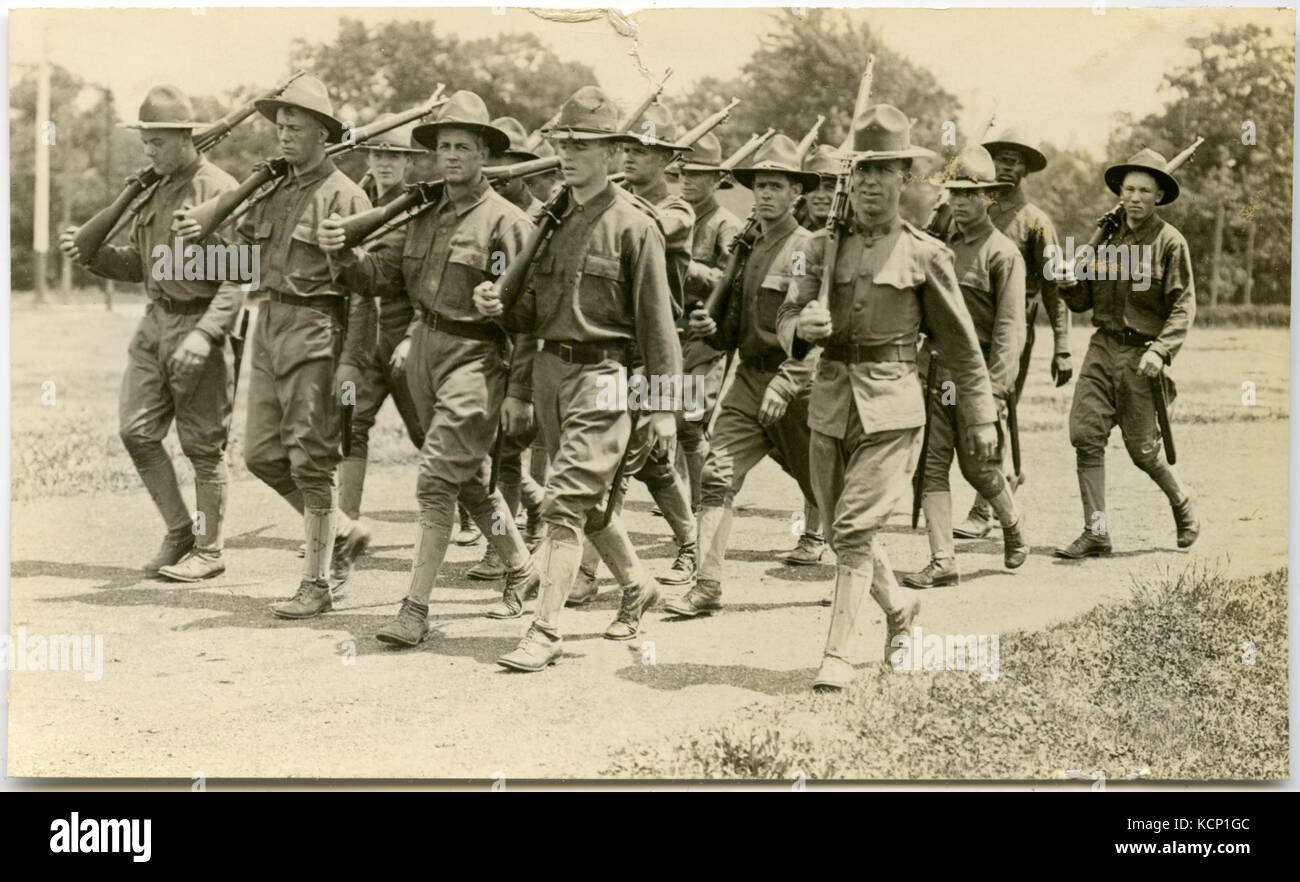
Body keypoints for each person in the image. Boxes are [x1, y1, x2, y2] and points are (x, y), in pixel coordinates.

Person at [776, 105, 999, 692]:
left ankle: (838, 655)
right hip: (828, 404)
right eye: (864, 171)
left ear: (904, 177)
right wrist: (803, 327)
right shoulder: (822, 249)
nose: (873, 182)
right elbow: (783, 316)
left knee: (849, 530)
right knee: (836, 532)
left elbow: (962, 348)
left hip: (893, 409)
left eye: (887, 170)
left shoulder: (927, 254)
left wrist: (981, 415)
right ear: (852, 178)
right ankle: (899, 608)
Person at [473, 86, 681, 671]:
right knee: (585, 503)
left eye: (584, 146)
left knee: (562, 504)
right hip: (547, 372)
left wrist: (663, 406)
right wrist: (499, 307)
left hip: (606, 377)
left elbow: (657, 323)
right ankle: (638, 583)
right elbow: (527, 316)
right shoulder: (549, 220)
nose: (568, 154)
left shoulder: (634, 226)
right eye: (564, 143)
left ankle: (546, 628)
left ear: (614, 153)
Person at [318, 92, 540, 640]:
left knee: (435, 478)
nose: (453, 156)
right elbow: (380, 277)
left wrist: (518, 382)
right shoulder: (422, 213)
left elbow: (533, 315)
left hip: (478, 358)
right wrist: (341, 254)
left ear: (485, 154)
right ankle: (521, 564)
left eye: (465, 146)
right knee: (464, 479)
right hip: (422, 354)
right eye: (444, 147)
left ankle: (414, 609)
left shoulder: (507, 223)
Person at [58, 85, 239, 583]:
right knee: (136, 430)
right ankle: (180, 531)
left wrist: (204, 336)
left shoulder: (219, 190)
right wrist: (91, 254)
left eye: (157, 142)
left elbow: (237, 278)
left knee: (203, 445)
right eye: (146, 142)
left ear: (185, 139)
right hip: (155, 320)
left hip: (200, 321)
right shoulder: (150, 189)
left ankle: (209, 547)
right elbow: (141, 263)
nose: (149, 151)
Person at [212, 73, 374, 618]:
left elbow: (364, 292)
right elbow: (238, 257)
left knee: (310, 460)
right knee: (260, 454)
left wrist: (353, 360)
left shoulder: (346, 196)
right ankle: (344, 532)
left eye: (295, 127)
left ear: (323, 134)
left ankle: (317, 580)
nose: (283, 136)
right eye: (280, 126)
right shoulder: (274, 189)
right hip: (269, 323)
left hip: (317, 329)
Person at [663, 133, 821, 618]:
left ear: (797, 192)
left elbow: (818, 330)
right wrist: (711, 328)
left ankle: (880, 591)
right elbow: (733, 323)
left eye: (777, 185)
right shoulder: (748, 246)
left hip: (800, 387)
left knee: (826, 490)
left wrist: (788, 380)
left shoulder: (809, 249)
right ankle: (706, 585)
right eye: (761, 186)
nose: (767, 194)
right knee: (716, 476)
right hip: (751, 380)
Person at [567, 101, 700, 602]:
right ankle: (689, 538)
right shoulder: (611, 204)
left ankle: (588, 572)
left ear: (668, 159)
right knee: (640, 461)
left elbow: (646, 231)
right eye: (631, 147)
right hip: (621, 351)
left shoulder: (673, 211)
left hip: (660, 350)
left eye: (648, 150)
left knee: (617, 463)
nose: (636, 157)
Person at [1055, 148, 1199, 559]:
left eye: (1144, 190)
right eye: (1128, 189)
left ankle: (1182, 500)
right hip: (1102, 347)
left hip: (1142, 355)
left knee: (1143, 451)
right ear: (1120, 193)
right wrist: (1068, 283)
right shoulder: (1105, 240)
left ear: (1158, 196)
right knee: (1085, 436)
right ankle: (1096, 531)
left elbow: (1183, 305)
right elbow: (1083, 302)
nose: (1134, 197)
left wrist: (1160, 350)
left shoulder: (1170, 242)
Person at [903, 145, 1028, 588]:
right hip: (934, 373)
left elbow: (1012, 333)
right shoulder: (938, 249)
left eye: (969, 195)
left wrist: (993, 396)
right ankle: (943, 560)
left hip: (976, 384)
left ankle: (1011, 524)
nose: (959, 202)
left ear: (990, 198)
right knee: (930, 466)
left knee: (979, 468)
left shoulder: (1004, 255)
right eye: (953, 194)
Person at [954, 129, 1074, 540]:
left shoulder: (1036, 222)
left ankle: (985, 508)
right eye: (1001, 158)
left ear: (1025, 169)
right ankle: (1000, 482)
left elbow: (1055, 288)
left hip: (1010, 333)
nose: (1007, 165)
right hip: (962, 330)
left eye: (1015, 160)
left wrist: (1063, 348)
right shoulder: (965, 209)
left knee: (994, 408)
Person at [335, 116, 426, 524]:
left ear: (409, 162)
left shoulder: (420, 207)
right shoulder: (357, 202)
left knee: (427, 434)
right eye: (377, 153)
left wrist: (412, 336)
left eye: (394, 155)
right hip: (363, 338)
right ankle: (345, 523)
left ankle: (476, 517)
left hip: (403, 337)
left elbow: (429, 283)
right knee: (350, 423)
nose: (385, 162)